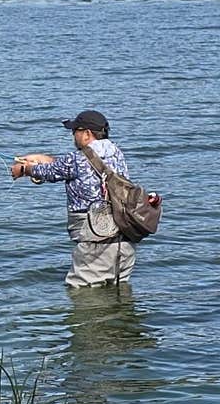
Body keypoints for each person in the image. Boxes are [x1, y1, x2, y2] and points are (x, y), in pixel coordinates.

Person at [10, 109, 136, 287]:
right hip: (123, 236)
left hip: (95, 237)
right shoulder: (116, 152)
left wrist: (23, 169)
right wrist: (40, 159)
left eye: (74, 131)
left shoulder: (76, 160)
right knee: (118, 291)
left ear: (87, 134)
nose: (72, 136)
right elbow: (70, 166)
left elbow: (55, 171)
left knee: (82, 293)